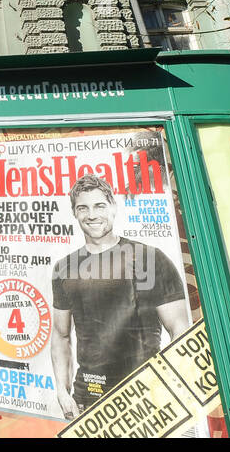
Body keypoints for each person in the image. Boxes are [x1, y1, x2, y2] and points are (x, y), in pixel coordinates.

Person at [51, 174, 190, 419]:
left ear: (113, 207)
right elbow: (61, 335)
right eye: (83, 208)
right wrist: (62, 391)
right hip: (88, 398)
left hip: (145, 394)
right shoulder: (64, 268)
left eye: (99, 206)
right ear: (74, 212)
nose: (91, 215)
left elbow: (178, 329)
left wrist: (170, 385)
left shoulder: (149, 257)